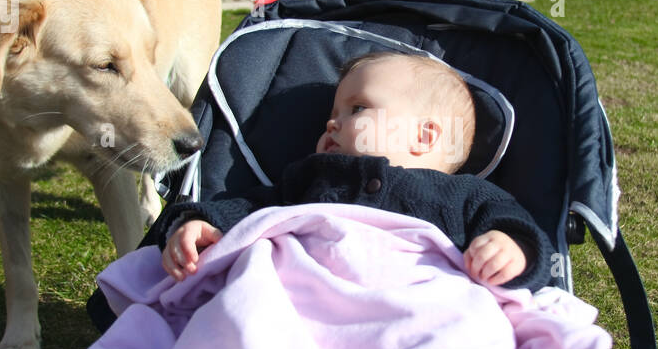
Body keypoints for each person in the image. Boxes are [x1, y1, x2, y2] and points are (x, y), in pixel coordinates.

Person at [159, 51, 553, 291]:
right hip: (307, 304)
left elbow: (517, 226)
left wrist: (513, 249)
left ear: (425, 136)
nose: (331, 124)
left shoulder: (461, 194)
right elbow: (252, 208)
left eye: (357, 109)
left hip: (421, 308)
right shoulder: (311, 179)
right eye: (332, 115)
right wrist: (202, 221)